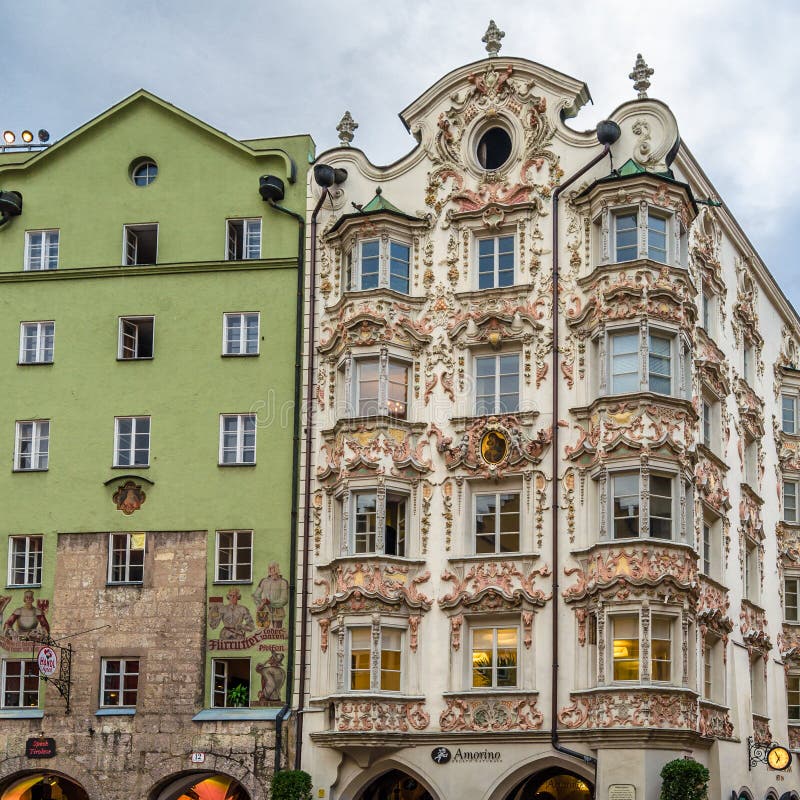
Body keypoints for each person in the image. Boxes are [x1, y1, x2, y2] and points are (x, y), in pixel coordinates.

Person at [253, 562, 289, 629]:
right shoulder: (264, 581)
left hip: (277, 612)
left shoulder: (283, 582)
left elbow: (284, 600)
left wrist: (270, 602)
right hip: (264, 611)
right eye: (270, 568)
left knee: (276, 633)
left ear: (277, 569)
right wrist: (261, 604)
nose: (271, 570)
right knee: (263, 634)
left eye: (273, 568)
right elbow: (256, 595)